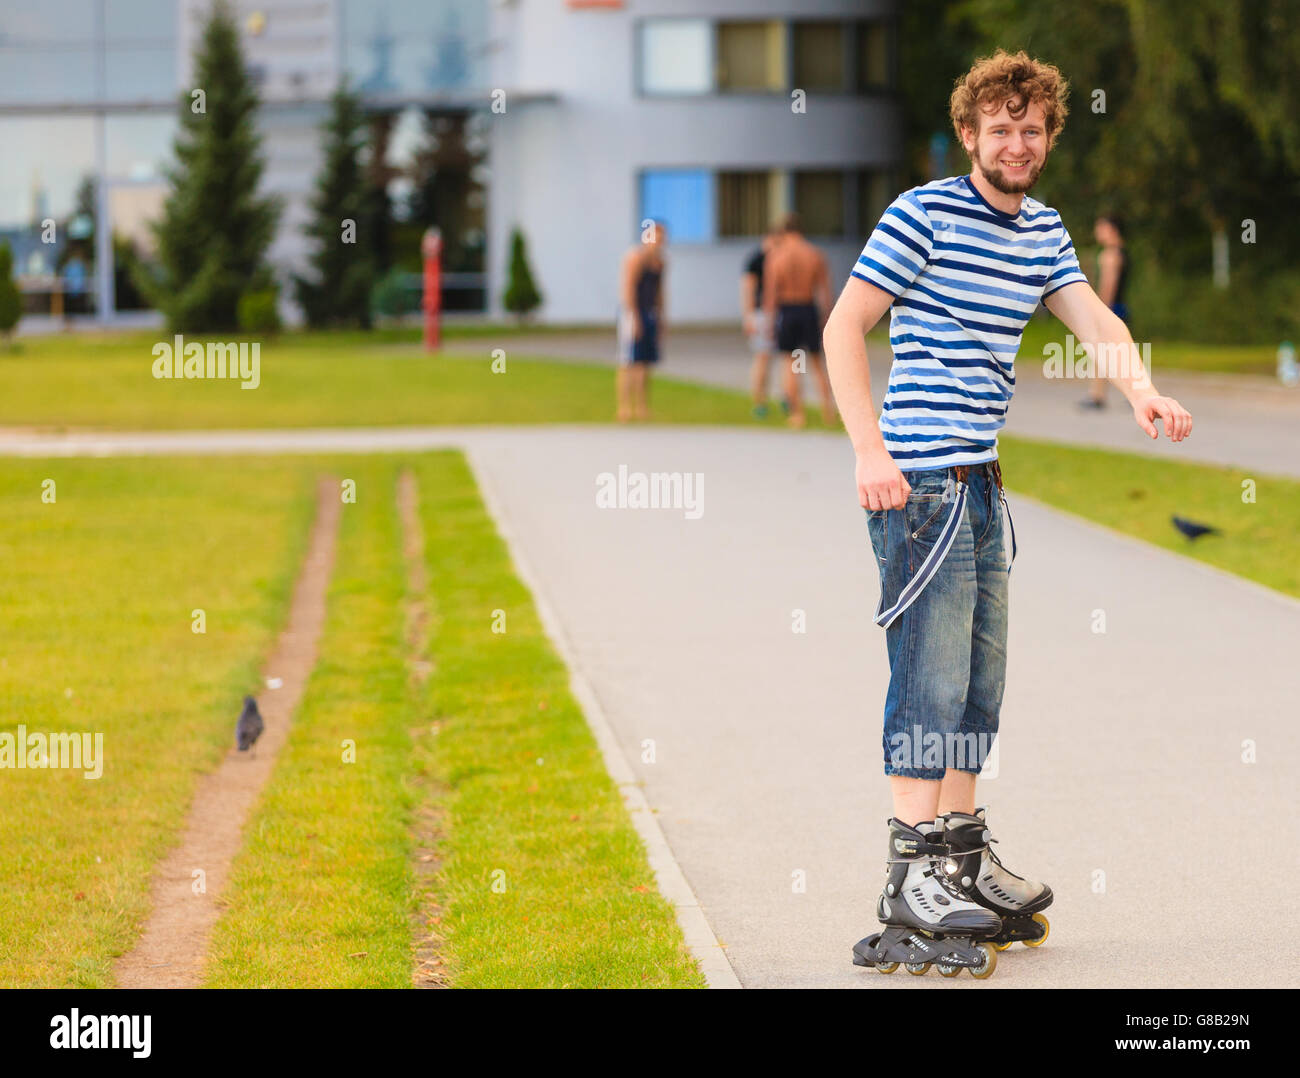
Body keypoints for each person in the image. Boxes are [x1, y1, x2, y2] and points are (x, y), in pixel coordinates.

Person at [822, 49, 1193, 978]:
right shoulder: (924, 213)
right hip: (921, 483)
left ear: (1048, 135)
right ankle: (910, 877)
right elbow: (841, 328)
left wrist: (1140, 388)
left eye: (1032, 129)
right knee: (929, 680)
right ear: (971, 133)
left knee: (978, 689)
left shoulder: (1046, 230)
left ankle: (961, 856)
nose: (1018, 143)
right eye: (1001, 128)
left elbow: (1094, 320)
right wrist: (870, 450)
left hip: (981, 484)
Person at [763, 214, 837, 428]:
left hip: (787, 311)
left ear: (783, 232)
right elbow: (825, 292)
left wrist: (769, 322)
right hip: (808, 309)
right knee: (816, 364)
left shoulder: (776, 256)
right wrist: (826, 317)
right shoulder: (814, 254)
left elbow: (770, 294)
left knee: (793, 364)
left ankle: (798, 414)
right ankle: (828, 411)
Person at [616, 221, 667, 422]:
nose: (660, 241)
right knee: (628, 361)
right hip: (632, 313)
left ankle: (642, 407)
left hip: (650, 312)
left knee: (645, 363)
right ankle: (624, 408)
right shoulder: (635, 258)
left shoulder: (661, 262)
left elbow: (660, 292)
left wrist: (662, 316)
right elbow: (628, 289)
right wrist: (634, 317)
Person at [1080, 213, 1130, 409]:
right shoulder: (1123, 252)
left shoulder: (1109, 255)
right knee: (1122, 353)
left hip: (1111, 309)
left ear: (1111, 229)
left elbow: (1108, 286)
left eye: (1100, 228)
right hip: (1122, 307)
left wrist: (1099, 311)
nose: (1097, 232)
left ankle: (1097, 396)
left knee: (1102, 354)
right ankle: (1135, 393)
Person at [742, 229, 779, 419]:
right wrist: (748, 316)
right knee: (762, 357)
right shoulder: (756, 260)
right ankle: (759, 401)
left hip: (778, 312)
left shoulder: (779, 258)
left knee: (787, 358)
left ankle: (786, 398)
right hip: (761, 314)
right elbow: (747, 289)